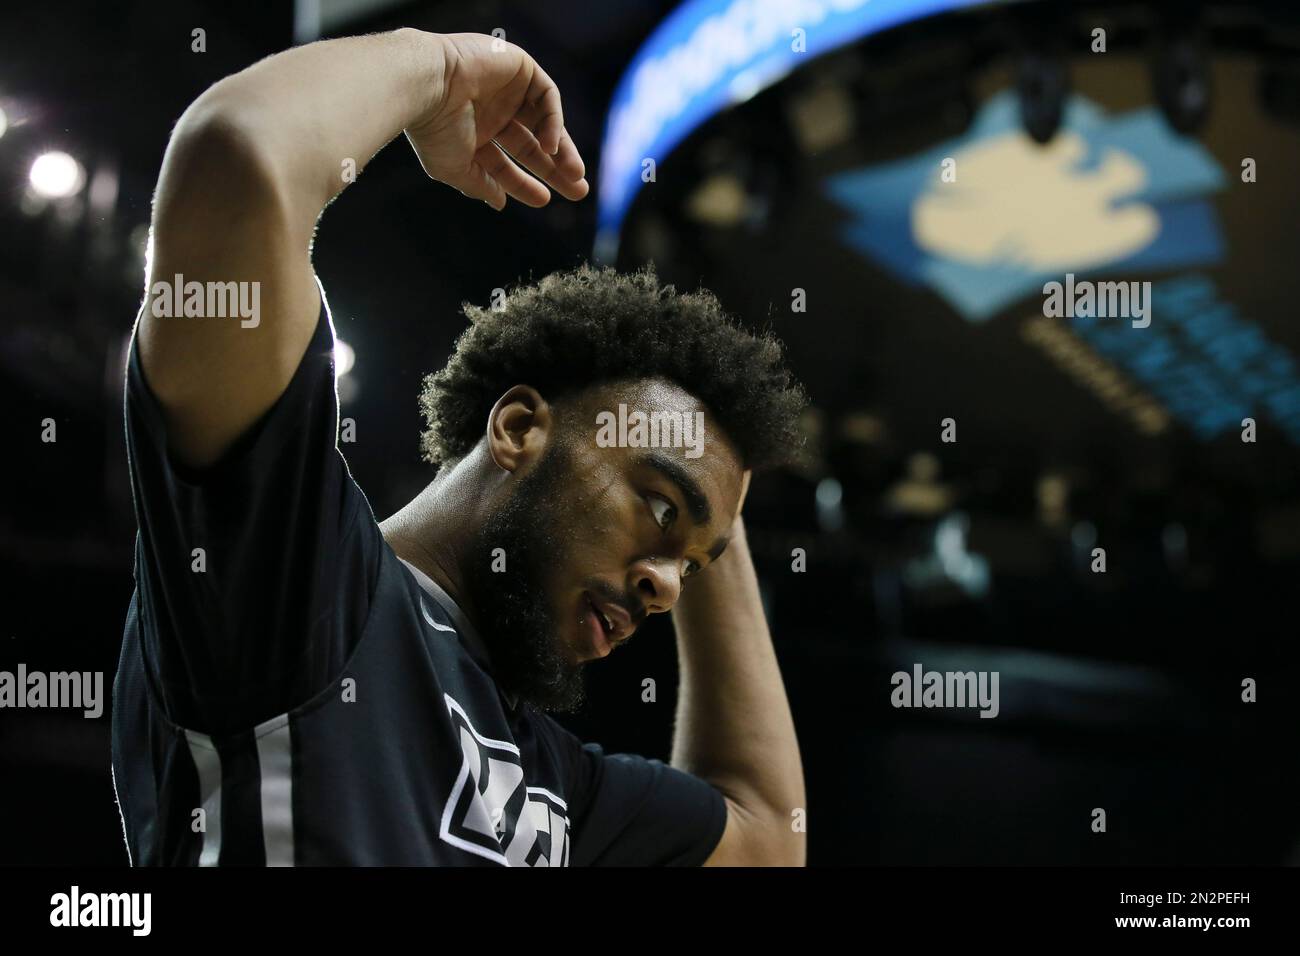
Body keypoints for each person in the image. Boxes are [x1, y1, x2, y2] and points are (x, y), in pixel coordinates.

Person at [113, 28, 807, 866]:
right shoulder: (306, 581)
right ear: (517, 429)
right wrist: (439, 69)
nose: (665, 589)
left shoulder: (551, 781)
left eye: (689, 569)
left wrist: (710, 510)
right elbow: (236, 157)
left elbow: (768, 838)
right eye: (656, 508)